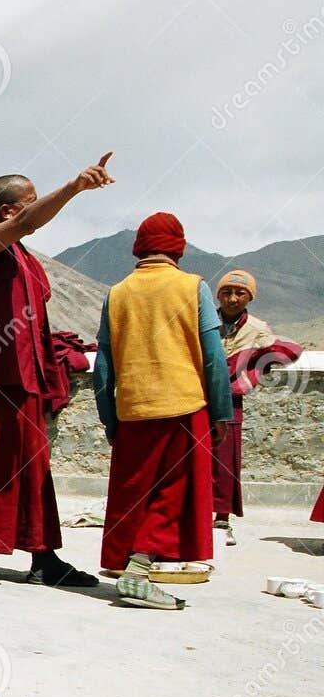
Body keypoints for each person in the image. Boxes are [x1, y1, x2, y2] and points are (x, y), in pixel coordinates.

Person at [0, 160, 113, 588]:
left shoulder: (24, 258)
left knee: (33, 470)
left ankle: (43, 558)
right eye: (29, 202)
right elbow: (30, 220)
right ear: (9, 210)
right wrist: (73, 187)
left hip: (23, 378)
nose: (37, 210)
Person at [94, 213, 233, 609]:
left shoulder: (117, 292)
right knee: (174, 493)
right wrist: (221, 411)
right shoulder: (193, 287)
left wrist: (110, 416)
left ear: (139, 247)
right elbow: (213, 357)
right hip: (184, 408)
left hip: (134, 410)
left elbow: (104, 363)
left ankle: (129, 565)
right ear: (178, 248)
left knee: (133, 493)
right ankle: (139, 572)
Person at [211, 269, 272, 544]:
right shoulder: (205, 320)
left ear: (250, 297)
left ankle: (222, 519)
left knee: (225, 460)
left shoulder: (258, 329)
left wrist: (242, 375)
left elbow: (268, 356)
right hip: (199, 395)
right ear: (218, 294)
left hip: (232, 400)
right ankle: (194, 518)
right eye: (226, 292)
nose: (232, 298)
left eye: (240, 293)